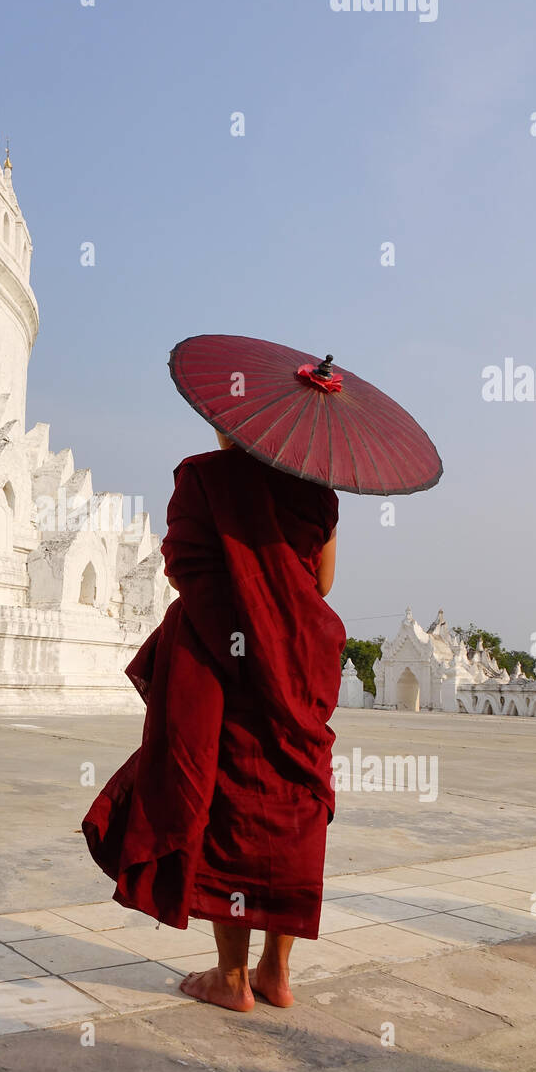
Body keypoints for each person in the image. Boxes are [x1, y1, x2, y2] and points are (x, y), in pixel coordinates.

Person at [83, 428, 345, 1013]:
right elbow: (322, 584)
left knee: (232, 802)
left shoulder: (204, 477)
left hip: (223, 658)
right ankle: (274, 973)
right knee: (294, 801)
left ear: (230, 423)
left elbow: (183, 568)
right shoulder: (318, 491)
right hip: (300, 657)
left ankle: (232, 977)